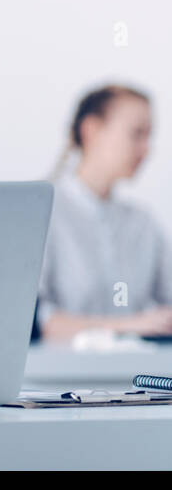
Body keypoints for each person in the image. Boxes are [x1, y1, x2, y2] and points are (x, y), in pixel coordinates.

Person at [36, 84, 172, 341]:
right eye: (137, 134)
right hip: (59, 374)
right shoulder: (42, 214)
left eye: (149, 136)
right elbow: (36, 321)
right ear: (91, 130)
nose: (146, 149)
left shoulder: (143, 223)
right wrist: (129, 325)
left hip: (134, 372)